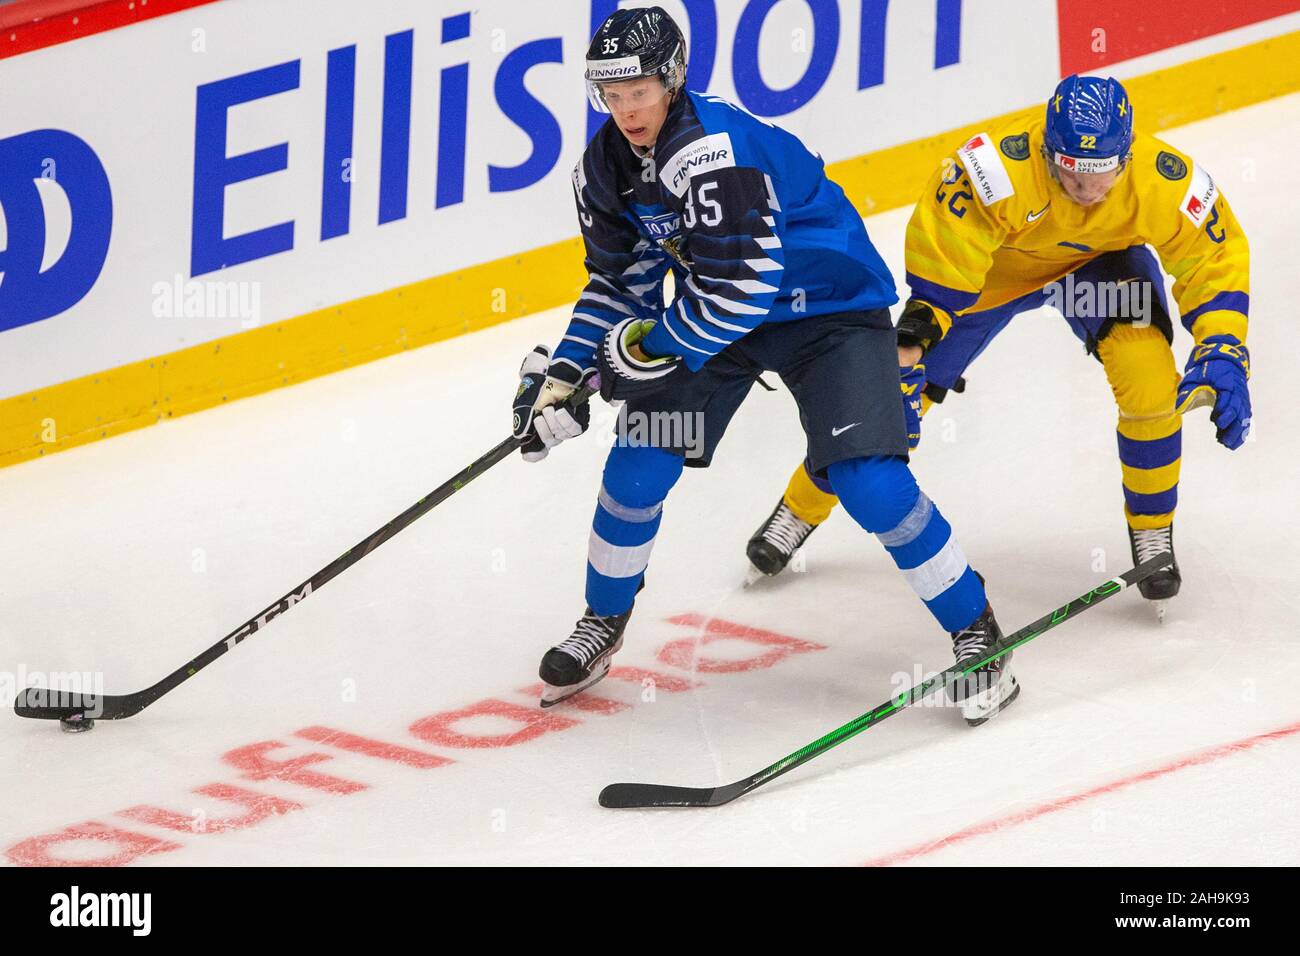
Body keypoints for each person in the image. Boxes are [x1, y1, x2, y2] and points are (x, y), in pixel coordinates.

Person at [511, 6, 1017, 725]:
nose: (626, 110)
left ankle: (979, 630)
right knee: (637, 463)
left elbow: (740, 293)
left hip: (830, 311)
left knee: (868, 482)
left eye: (640, 92)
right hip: (720, 319)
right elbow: (618, 283)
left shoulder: (712, 149)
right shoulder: (605, 166)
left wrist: (633, 357)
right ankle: (603, 621)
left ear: (673, 79)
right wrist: (564, 373)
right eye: (611, 95)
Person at [746, 74, 1251, 617]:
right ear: (1044, 148)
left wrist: (1223, 345)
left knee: (1150, 379)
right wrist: (912, 345)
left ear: (1128, 154)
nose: (1086, 190)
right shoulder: (989, 171)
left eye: (1102, 171)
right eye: (1071, 171)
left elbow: (1212, 260)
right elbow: (943, 271)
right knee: (886, 408)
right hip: (990, 275)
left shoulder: (1166, 180)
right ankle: (799, 508)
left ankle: (1153, 532)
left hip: (1096, 271)